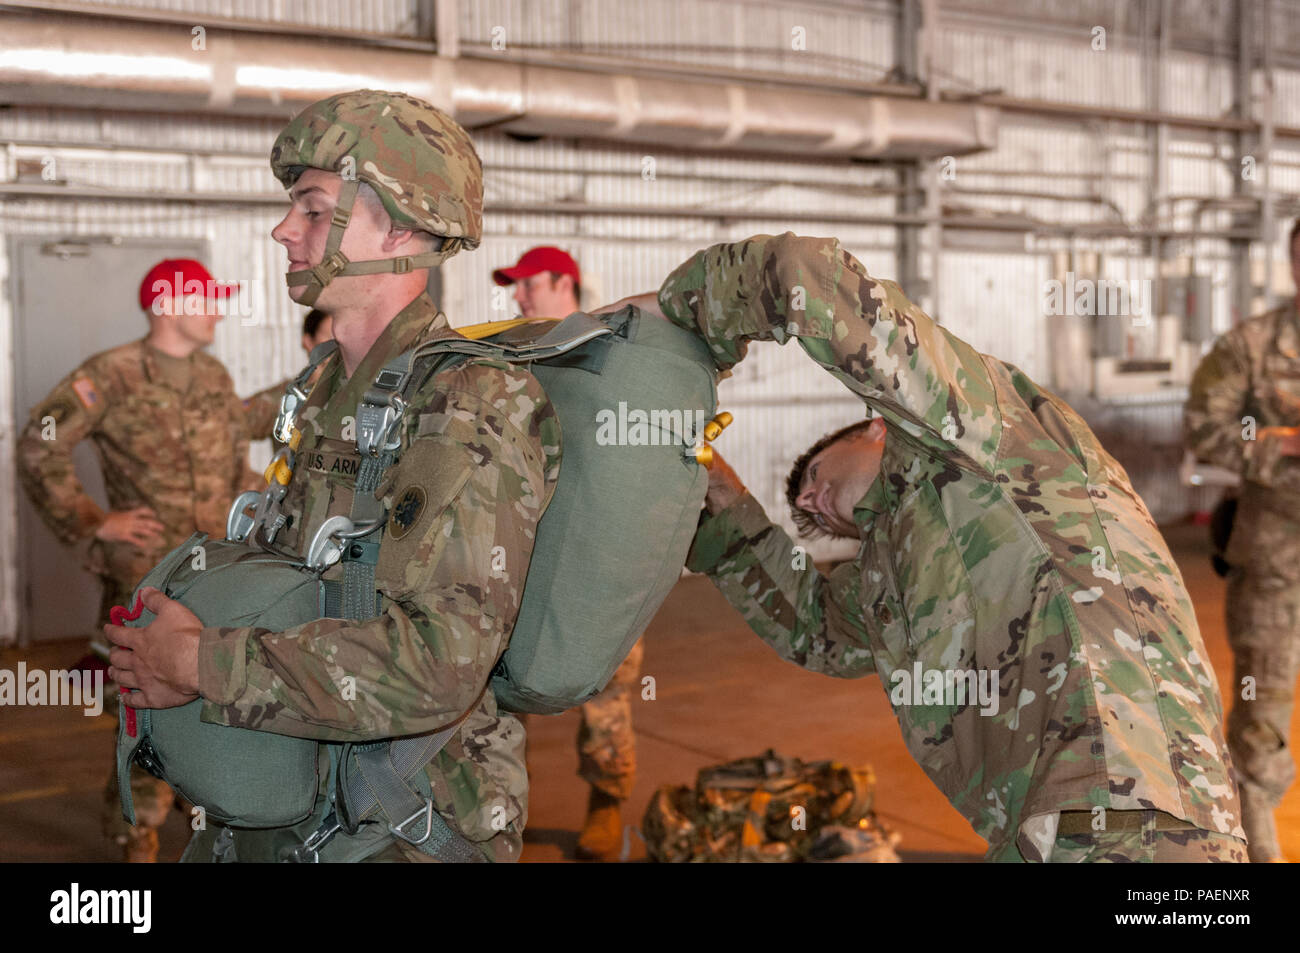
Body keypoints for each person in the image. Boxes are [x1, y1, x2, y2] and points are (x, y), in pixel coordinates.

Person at [619, 231, 1245, 862]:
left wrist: (677, 317)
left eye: (811, 478)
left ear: (872, 427)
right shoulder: (895, 572)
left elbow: (804, 275)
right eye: (829, 527)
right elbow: (815, 628)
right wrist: (723, 499)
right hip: (1046, 830)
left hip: (1133, 812)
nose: (808, 503)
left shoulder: (984, 432)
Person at [104, 89, 560, 863]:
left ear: (406, 225)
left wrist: (199, 661)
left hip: (402, 822)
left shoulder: (471, 401)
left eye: (314, 210)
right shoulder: (323, 388)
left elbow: (439, 664)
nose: (285, 229)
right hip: (302, 796)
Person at [17, 257, 259, 862]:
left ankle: (198, 810)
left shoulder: (214, 376)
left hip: (218, 575)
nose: (218, 311)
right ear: (168, 304)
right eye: (207, 299)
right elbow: (40, 442)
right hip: (148, 578)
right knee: (145, 712)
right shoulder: (112, 373)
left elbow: (232, 468)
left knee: (209, 698)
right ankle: (134, 839)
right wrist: (95, 523)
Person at [494, 245, 642, 860]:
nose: (518, 296)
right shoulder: (517, 352)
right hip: (521, 544)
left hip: (599, 547)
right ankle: (498, 807)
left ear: (563, 282)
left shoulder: (613, 349)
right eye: (515, 287)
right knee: (499, 683)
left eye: (528, 284)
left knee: (604, 688)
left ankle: (607, 803)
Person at [1183, 217, 1300, 862]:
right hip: (1278, 567)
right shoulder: (1251, 346)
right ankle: (1252, 872)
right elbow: (1205, 428)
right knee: (1261, 730)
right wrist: (1283, 443)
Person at [241, 307, 334, 441]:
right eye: (331, 338)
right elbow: (235, 420)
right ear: (308, 343)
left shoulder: (361, 389)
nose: (339, 344)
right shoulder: (289, 396)